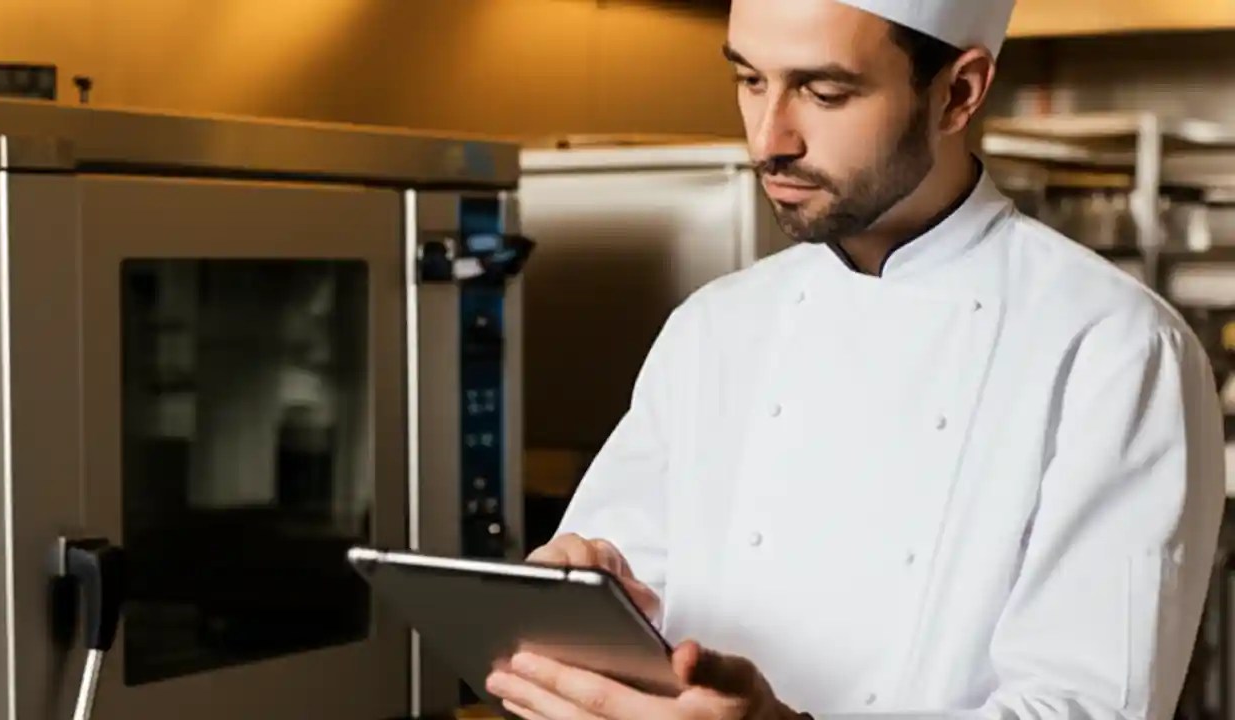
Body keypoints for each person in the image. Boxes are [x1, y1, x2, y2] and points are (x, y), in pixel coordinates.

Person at [485, 0, 1227, 718]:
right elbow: (625, 593)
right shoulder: (714, 327)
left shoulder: (1114, 349)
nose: (770, 137)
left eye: (825, 91)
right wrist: (583, 604)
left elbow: (1087, 708)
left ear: (957, 93)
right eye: (749, 80)